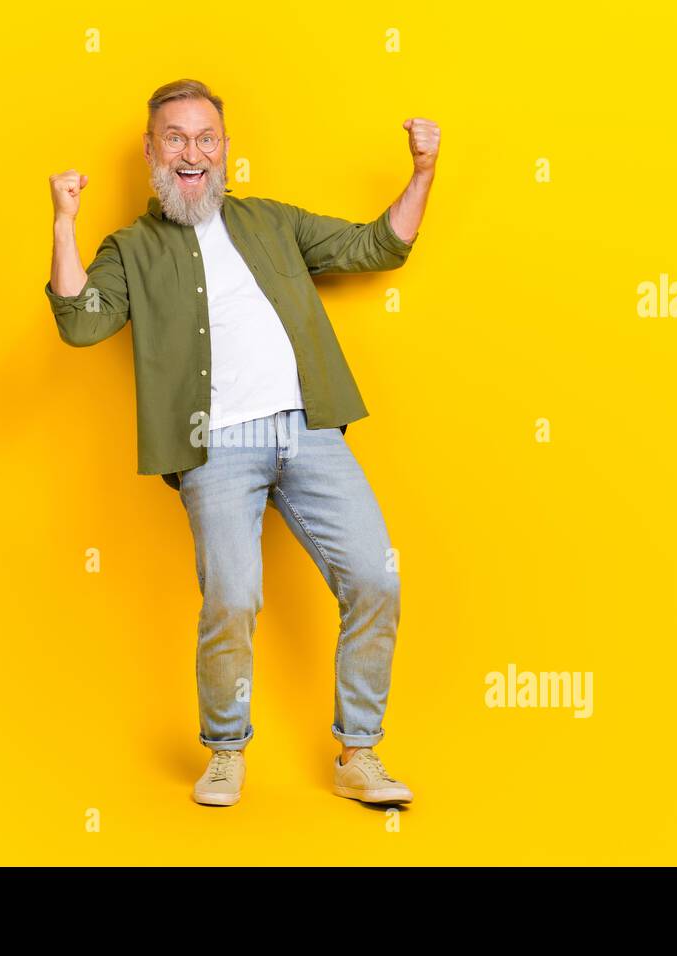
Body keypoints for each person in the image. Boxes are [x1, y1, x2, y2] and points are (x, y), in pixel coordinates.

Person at [45, 78, 438, 807]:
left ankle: (359, 752)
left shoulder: (270, 221)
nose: (190, 151)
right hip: (215, 445)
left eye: (204, 138)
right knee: (233, 594)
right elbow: (81, 321)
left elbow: (377, 247)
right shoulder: (131, 246)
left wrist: (421, 174)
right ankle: (226, 752)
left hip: (308, 428)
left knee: (377, 579)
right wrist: (65, 221)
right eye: (175, 137)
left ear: (225, 150)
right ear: (152, 150)